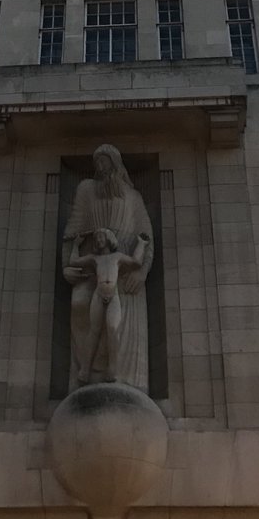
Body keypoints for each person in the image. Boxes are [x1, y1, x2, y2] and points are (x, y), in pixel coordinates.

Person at [62, 145, 154, 390]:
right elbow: (72, 233)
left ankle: (125, 384)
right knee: (82, 310)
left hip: (124, 276)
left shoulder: (134, 198)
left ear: (115, 164)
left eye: (104, 162)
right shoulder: (86, 190)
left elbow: (147, 236)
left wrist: (142, 271)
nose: (100, 167)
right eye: (97, 163)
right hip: (92, 271)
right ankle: (86, 376)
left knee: (117, 327)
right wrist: (66, 266)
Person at [69, 227, 150, 383]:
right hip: (98, 294)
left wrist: (141, 244)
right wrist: (75, 245)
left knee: (112, 329)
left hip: (113, 295)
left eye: (101, 237)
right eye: (97, 238)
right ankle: (85, 369)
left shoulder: (118, 257)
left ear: (108, 239)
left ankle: (113, 369)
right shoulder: (94, 259)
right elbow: (73, 262)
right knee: (94, 331)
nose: (99, 240)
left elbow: (136, 262)